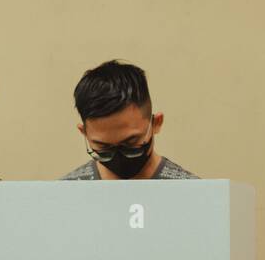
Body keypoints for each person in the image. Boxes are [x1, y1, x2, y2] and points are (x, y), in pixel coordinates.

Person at [61, 60, 196, 180]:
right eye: (104, 147)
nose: (118, 159)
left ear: (156, 123)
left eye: (131, 143)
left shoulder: (192, 194)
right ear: (84, 133)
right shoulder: (64, 196)